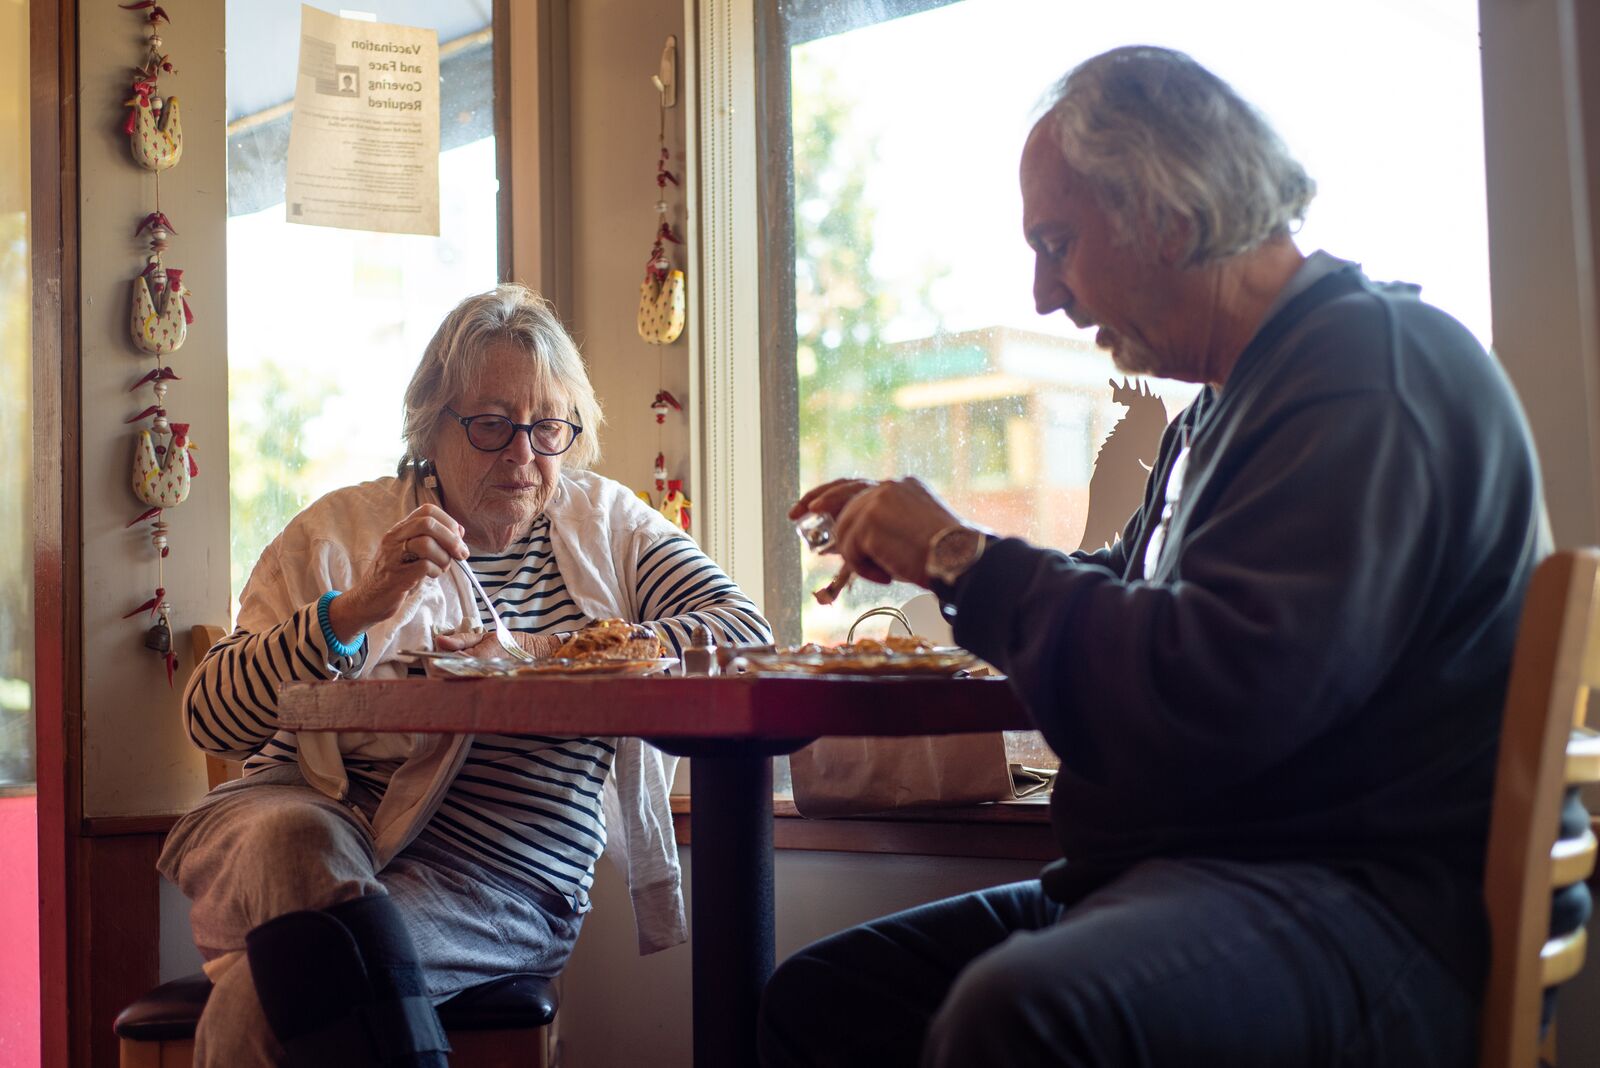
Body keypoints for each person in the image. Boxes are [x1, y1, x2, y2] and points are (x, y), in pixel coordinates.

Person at [758, 45, 1552, 1067]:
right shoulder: (1218, 412)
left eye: (1057, 243)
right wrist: (942, 555)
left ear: (1167, 215)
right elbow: (1123, 606)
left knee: (1024, 1014)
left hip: (1364, 911)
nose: (1043, 294)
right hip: (1200, 876)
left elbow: (1212, 690)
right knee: (822, 1002)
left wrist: (959, 556)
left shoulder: (1366, 372)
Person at [160, 284, 771, 1067]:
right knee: (293, 835)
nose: (524, 454)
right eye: (491, 425)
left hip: (501, 877)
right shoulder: (341, 533)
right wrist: (355, 608)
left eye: (548, 426)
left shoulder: (610, 528)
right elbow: (212, 719)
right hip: (310, 819)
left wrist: (576, 652)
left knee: (258, 1003)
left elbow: (742, 634)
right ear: (429, 428)